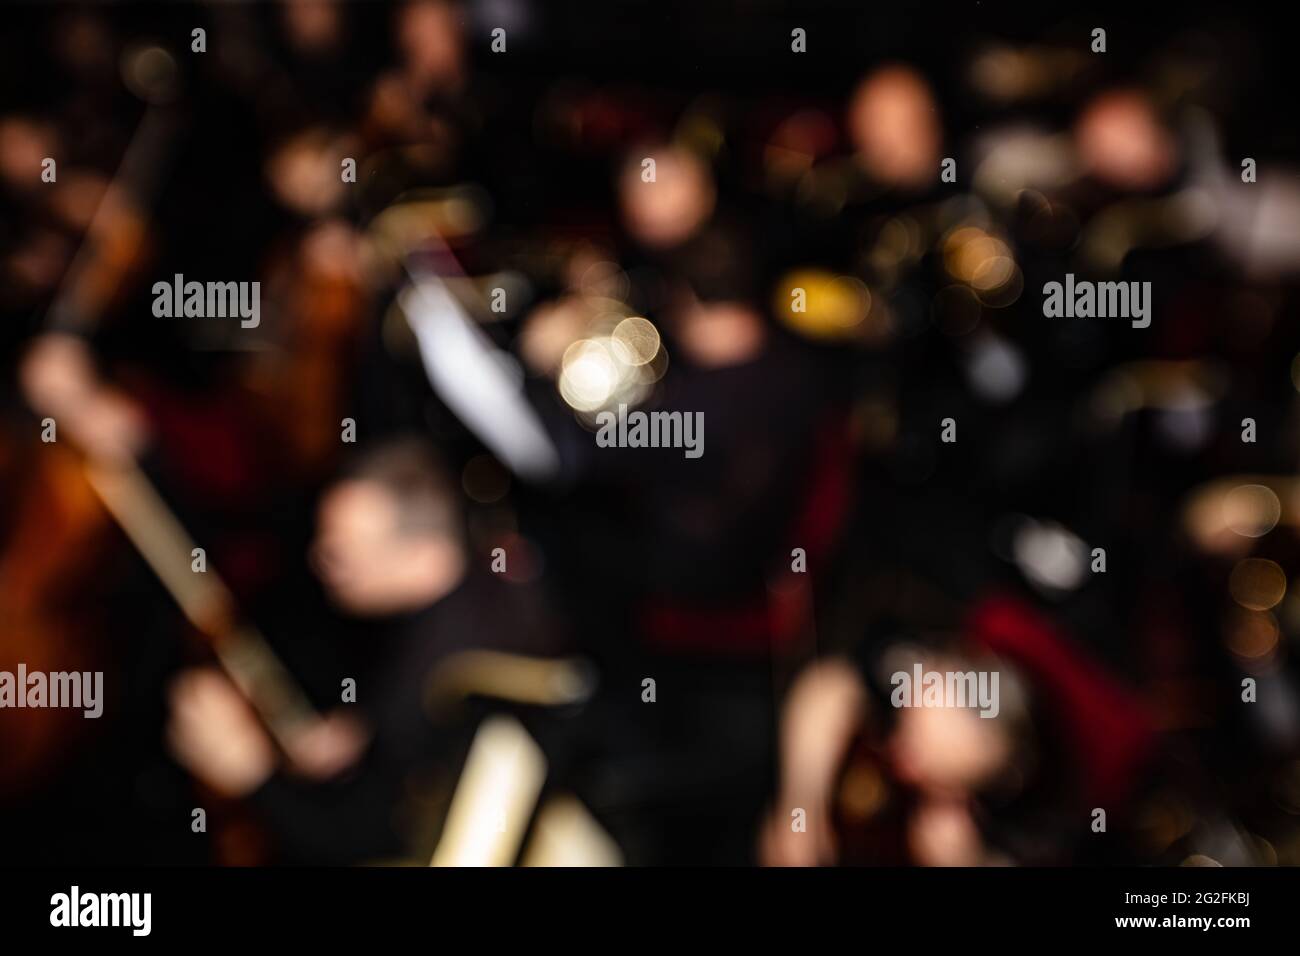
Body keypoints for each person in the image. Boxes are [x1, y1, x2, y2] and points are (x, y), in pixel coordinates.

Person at [166, 437, 565, 863]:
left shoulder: (443, 682)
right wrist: (364, 732)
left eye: (341, 553)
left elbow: (372, 839)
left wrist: (251, 773)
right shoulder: (491, 589)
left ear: (423, 557)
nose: (320, 560)